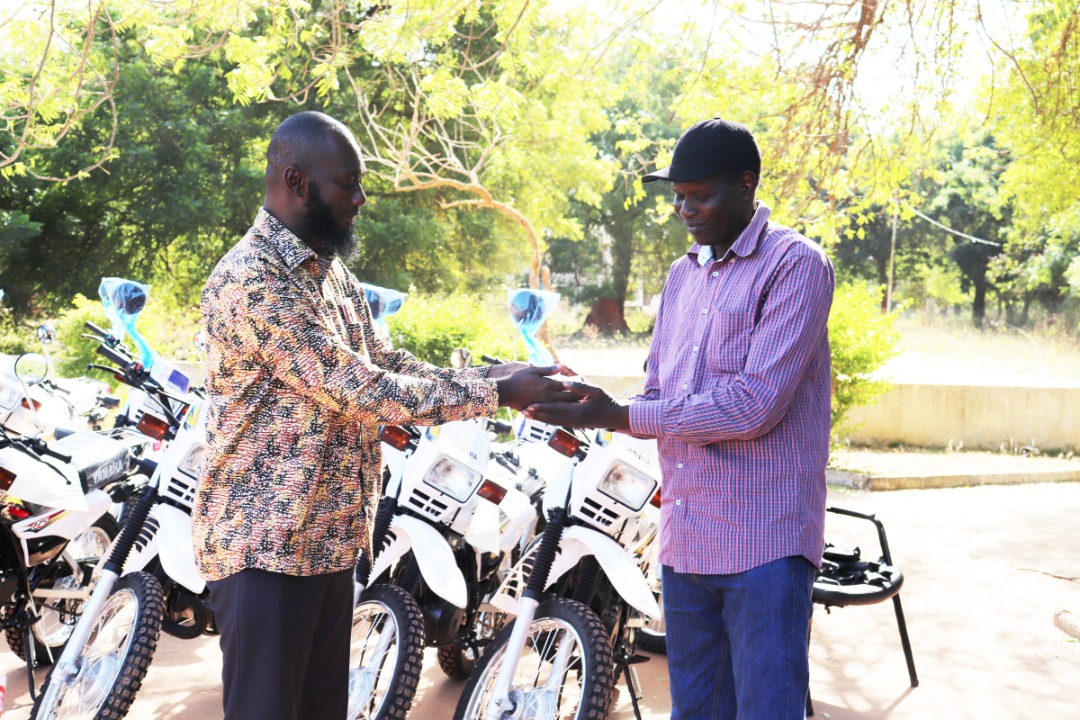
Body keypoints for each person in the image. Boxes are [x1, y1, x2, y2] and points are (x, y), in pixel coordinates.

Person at [194, 110, 573, 720]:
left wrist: (495, 376)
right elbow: (358, 390)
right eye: (347, 183)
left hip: (327, 542)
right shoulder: (253, 280)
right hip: (266, 550)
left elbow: (382, 360)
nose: (361, 198)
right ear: (295, 180)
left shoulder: (327, 268)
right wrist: (497, 397)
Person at [525, 118, 835, 719]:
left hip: (764, 542)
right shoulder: (681, 275)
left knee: (767, 710)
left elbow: (753, 405)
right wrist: (597, 401)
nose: (683, 209)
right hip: (689, 537)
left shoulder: (796, 266)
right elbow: (662, 395)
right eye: (678, 196)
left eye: (701, 195)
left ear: (747, 186)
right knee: (696, 711)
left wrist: (620, 415)